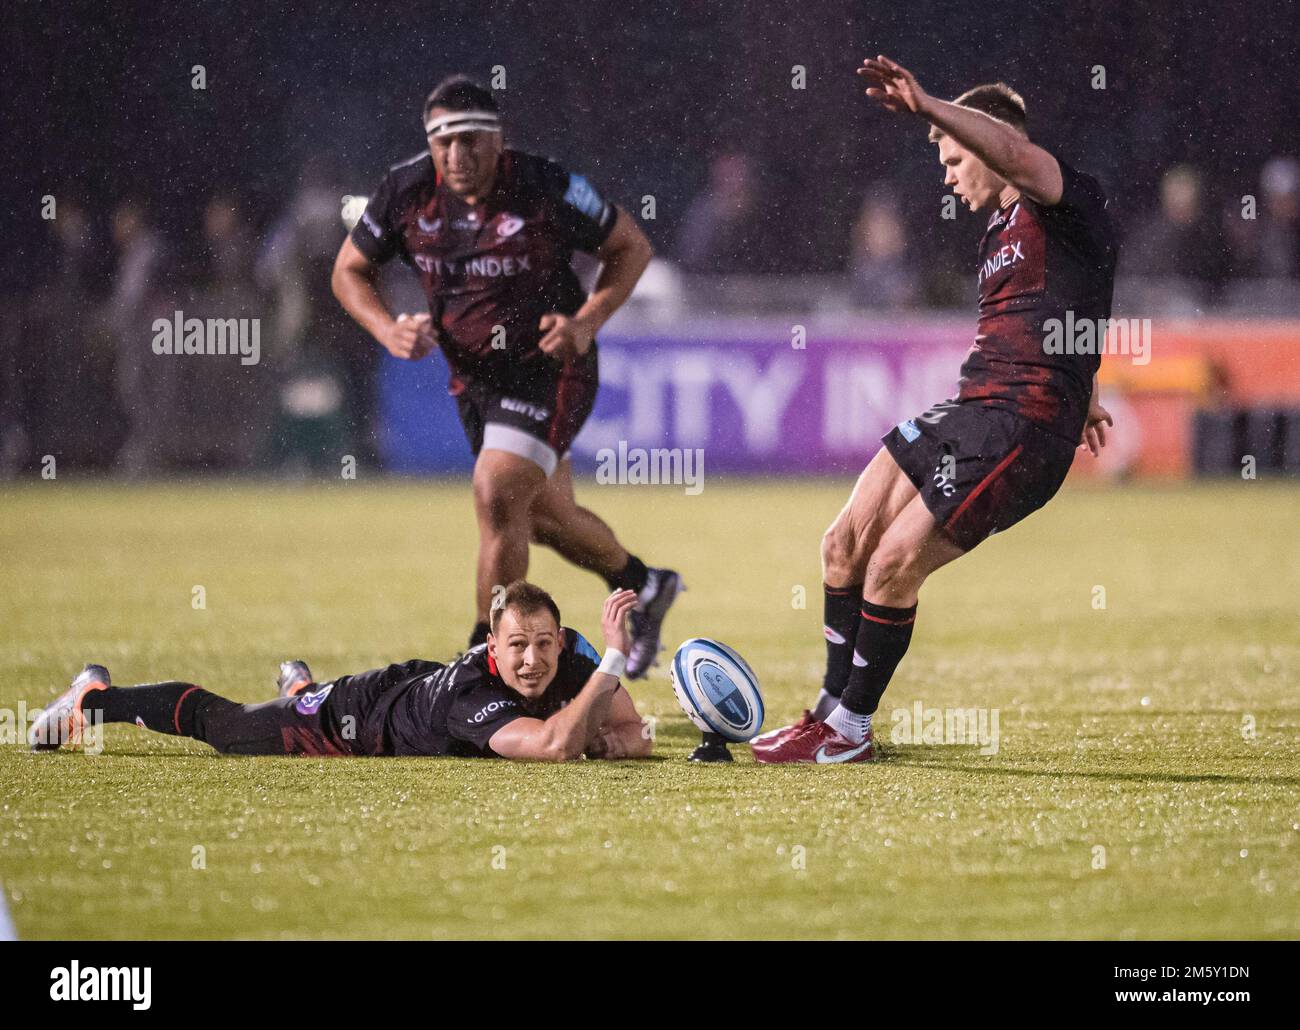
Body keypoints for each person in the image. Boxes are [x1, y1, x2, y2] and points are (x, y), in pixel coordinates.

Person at [754, 56, 1118, 763]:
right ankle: (829, 711)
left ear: (989, 144)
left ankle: (852, 731)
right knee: (844, 542)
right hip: (973, 406)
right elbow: (1075, 300)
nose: (948, 174)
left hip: (1024, 426)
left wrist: (927, 103)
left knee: (894, 562)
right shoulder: (1001, 230)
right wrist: (1091, 383)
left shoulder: (1061, 197)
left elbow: (1013, 152)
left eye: (955, 157)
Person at [332, 75, 681, 677]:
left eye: (471, 140)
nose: (457, 155)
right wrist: (388, 329)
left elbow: (632, 247)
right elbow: (348, 270)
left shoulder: (547, 186)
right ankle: (644, 585)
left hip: (552, 369)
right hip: (474, 381)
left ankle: (477, 661)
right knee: (539, 519)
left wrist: (586, 321)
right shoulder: (405, 191)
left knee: (496, 491)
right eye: (444, 143)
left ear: (500, 140)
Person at [29, 582, 652, 762]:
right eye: (517, 644)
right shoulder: (475, 691)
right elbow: (551, 746)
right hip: (354, 718)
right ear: (492, 644)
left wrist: (603, 736)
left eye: (544, 643)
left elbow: (637, 734)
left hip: (410, 689)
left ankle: (299, 687)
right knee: (229, 731)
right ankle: (94, 697)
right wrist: (612, 674)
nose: (532, 660)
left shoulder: (572, 658)